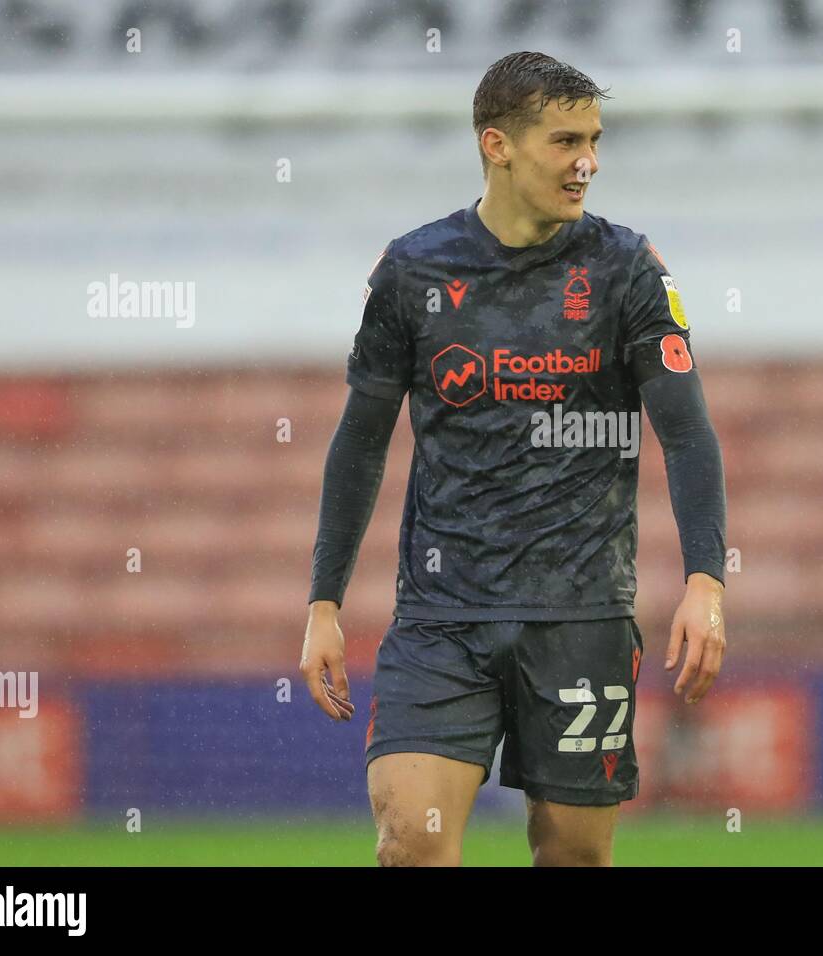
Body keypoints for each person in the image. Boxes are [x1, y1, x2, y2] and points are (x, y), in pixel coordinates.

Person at [301, 51, 727, 867]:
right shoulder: (414, 270)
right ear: (497, 144)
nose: (588, 163)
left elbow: (687, 432)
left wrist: (706, 579)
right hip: (440, 619)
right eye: (567, 141)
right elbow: (360, 439)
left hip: (583, 616)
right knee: (409, 847)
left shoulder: (627, 270)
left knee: (572, 856)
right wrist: (325, 598)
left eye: (595, 140)